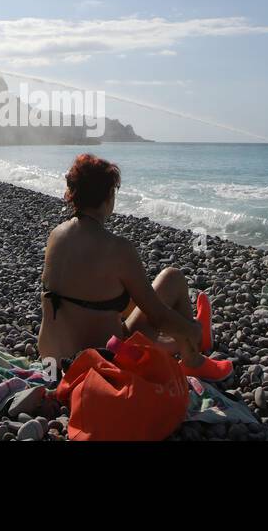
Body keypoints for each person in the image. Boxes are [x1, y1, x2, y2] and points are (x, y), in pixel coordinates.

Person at [37, 154, 232, 382]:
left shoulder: (56, 235)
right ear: (109, 195)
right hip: (101, 363)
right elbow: (158, 317)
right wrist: (192, 329)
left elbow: (97, 292)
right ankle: (193, 357)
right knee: (172, 278)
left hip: (53, 362)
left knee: (120, 301)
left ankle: (187, 342)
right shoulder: (117, 248)